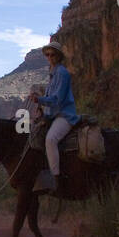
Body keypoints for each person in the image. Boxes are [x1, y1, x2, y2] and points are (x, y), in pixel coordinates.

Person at [29, 40, 79, 195]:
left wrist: (41, 100)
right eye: (47, 55)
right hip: (54, 115)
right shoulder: (53, 73)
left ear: (58, 56)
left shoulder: (62, 73)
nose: (50, 57)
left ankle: (57, 180)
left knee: (50, 139)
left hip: (65, 116)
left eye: (52, 54)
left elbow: (58, 99)